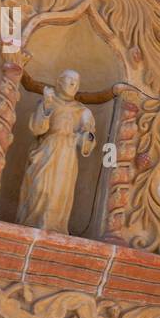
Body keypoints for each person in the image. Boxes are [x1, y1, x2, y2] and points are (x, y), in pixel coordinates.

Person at [16, 69, 96, 234]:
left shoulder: (82, 111)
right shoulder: (48, 101)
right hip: (46, 149)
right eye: (69, 80)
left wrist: (87, 136)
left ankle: (54, 226)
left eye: (76, 82)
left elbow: (87, 142)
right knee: (39, 187)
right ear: (59, 82)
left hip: (66, 154)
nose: (74, 84)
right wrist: (46, 106)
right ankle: (32, 222)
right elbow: (37, 129)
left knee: (59, 191)